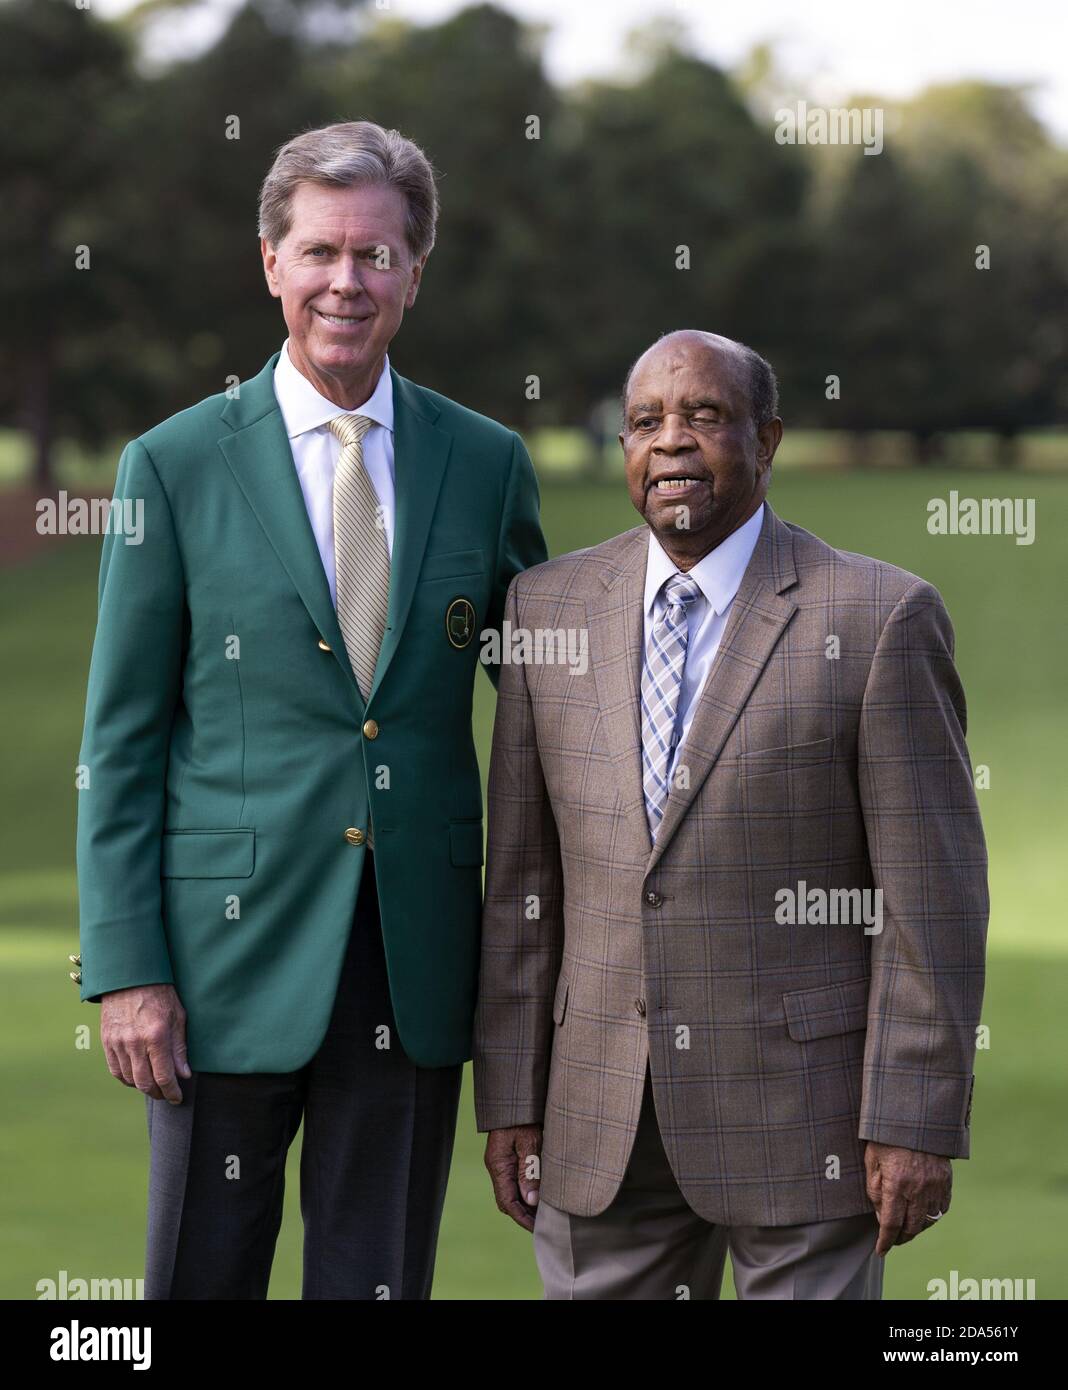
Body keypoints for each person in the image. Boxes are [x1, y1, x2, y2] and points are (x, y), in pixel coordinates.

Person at [75, 120, 547, 1300]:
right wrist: (126, 967)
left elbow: (547, 701)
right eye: (323, 252)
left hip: (414, 961)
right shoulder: (173, 466)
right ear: (273, 263)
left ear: (413, 274)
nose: (349, 280)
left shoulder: (487, 464)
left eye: (378, 256)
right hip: (218, 968)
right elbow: (121, 742)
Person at [474, 329, 987, 1300]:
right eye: (646, 422)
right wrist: (510, 1094)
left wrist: (915, 1113)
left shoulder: (878, 618)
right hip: (596, 1121)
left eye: (705, 417)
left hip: (810, 1124)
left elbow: (933, 899)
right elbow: (522, 891)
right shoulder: (545, 611)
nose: (671, 442)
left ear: (767, 440)